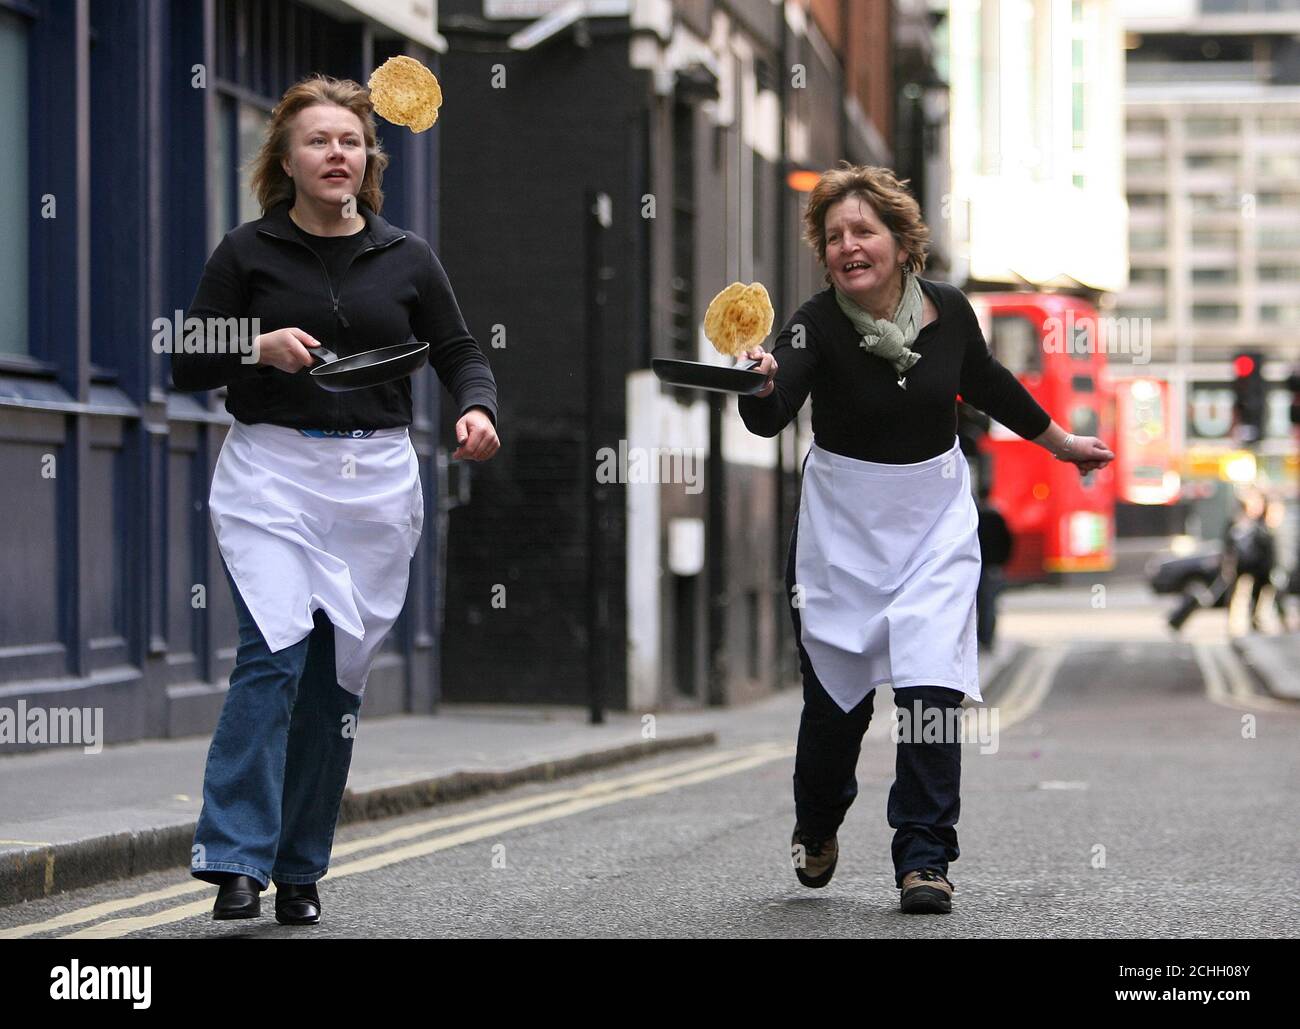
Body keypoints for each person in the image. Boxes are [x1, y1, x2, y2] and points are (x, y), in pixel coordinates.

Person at [737, 163, 1112, 914]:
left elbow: (990, 381)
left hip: (934, 524)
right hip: (842, 531)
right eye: (835, 235)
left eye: (863, 230)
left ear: (902, 242)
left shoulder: (950, 312)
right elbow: (770, 415)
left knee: (932, 688)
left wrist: (1062, 442)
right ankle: (817, 820)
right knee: (836, 708)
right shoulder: (814, 321)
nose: (849, 245)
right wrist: (762, 382)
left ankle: (925, 854)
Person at [172, 75, 499, 925]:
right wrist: (256, 343)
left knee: (331, 684)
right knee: (273, 654)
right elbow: (186, 356)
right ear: (286, 157)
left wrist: (475, 406)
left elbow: (460, 350)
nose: (336, 154)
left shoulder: (407, 256)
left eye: (350, 141)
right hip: (271, 477)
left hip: (375, 483)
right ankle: (235, 857)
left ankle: (301, 864)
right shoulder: (246, 251)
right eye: (318, 140)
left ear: (369, 158)